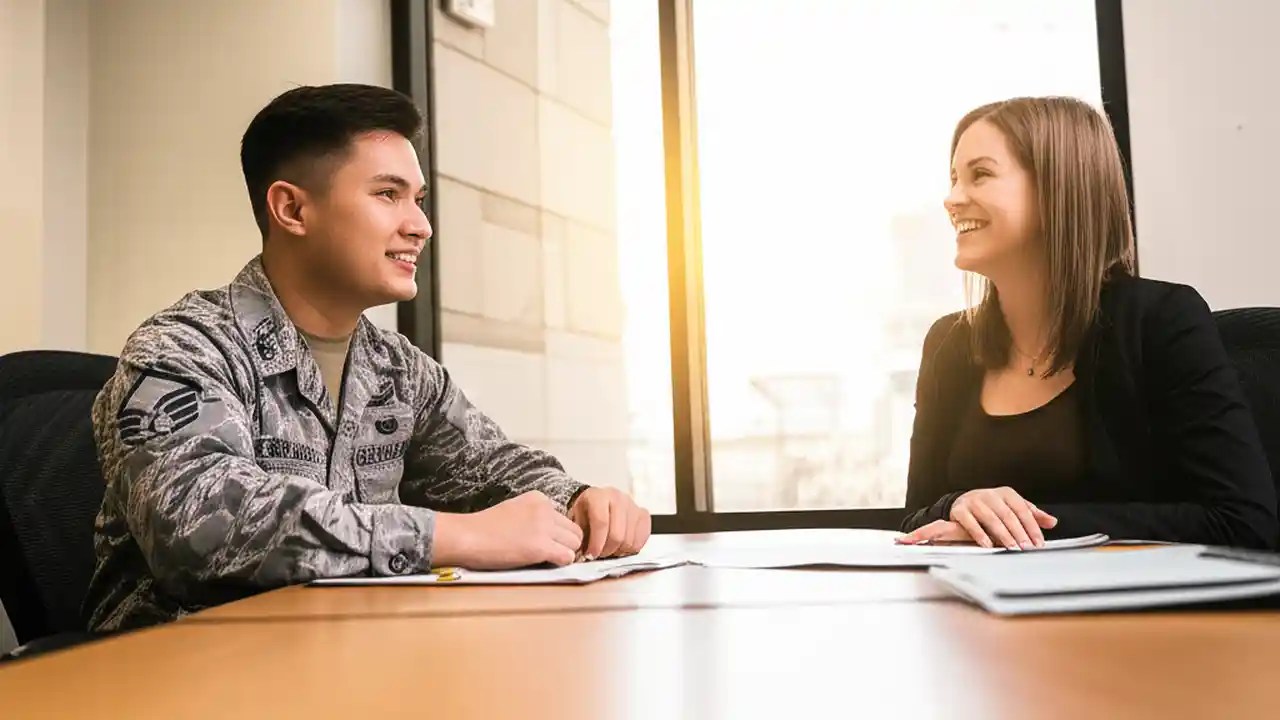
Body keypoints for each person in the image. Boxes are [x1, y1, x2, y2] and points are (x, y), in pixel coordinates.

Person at [84, 83, 651, 633]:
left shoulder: (398, 369)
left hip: (347, 660)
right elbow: (200, 526)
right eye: (388, 194)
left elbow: (488, 469)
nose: (420, 226)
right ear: (292, 209)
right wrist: (453, 538)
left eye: (419, 200)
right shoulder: (183, 347)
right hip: (179, 676)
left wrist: (577, 502)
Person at [896, 96, 1277, 551]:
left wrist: (1026, 528)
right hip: (987, 616)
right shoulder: (948, 343)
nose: (952, 199)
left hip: (1138, 616)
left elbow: (1243, 522)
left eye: (980, 174)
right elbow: (914, 520)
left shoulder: (1161, 320)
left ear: (1059, 187)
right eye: (955, 178)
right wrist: (956, 505)